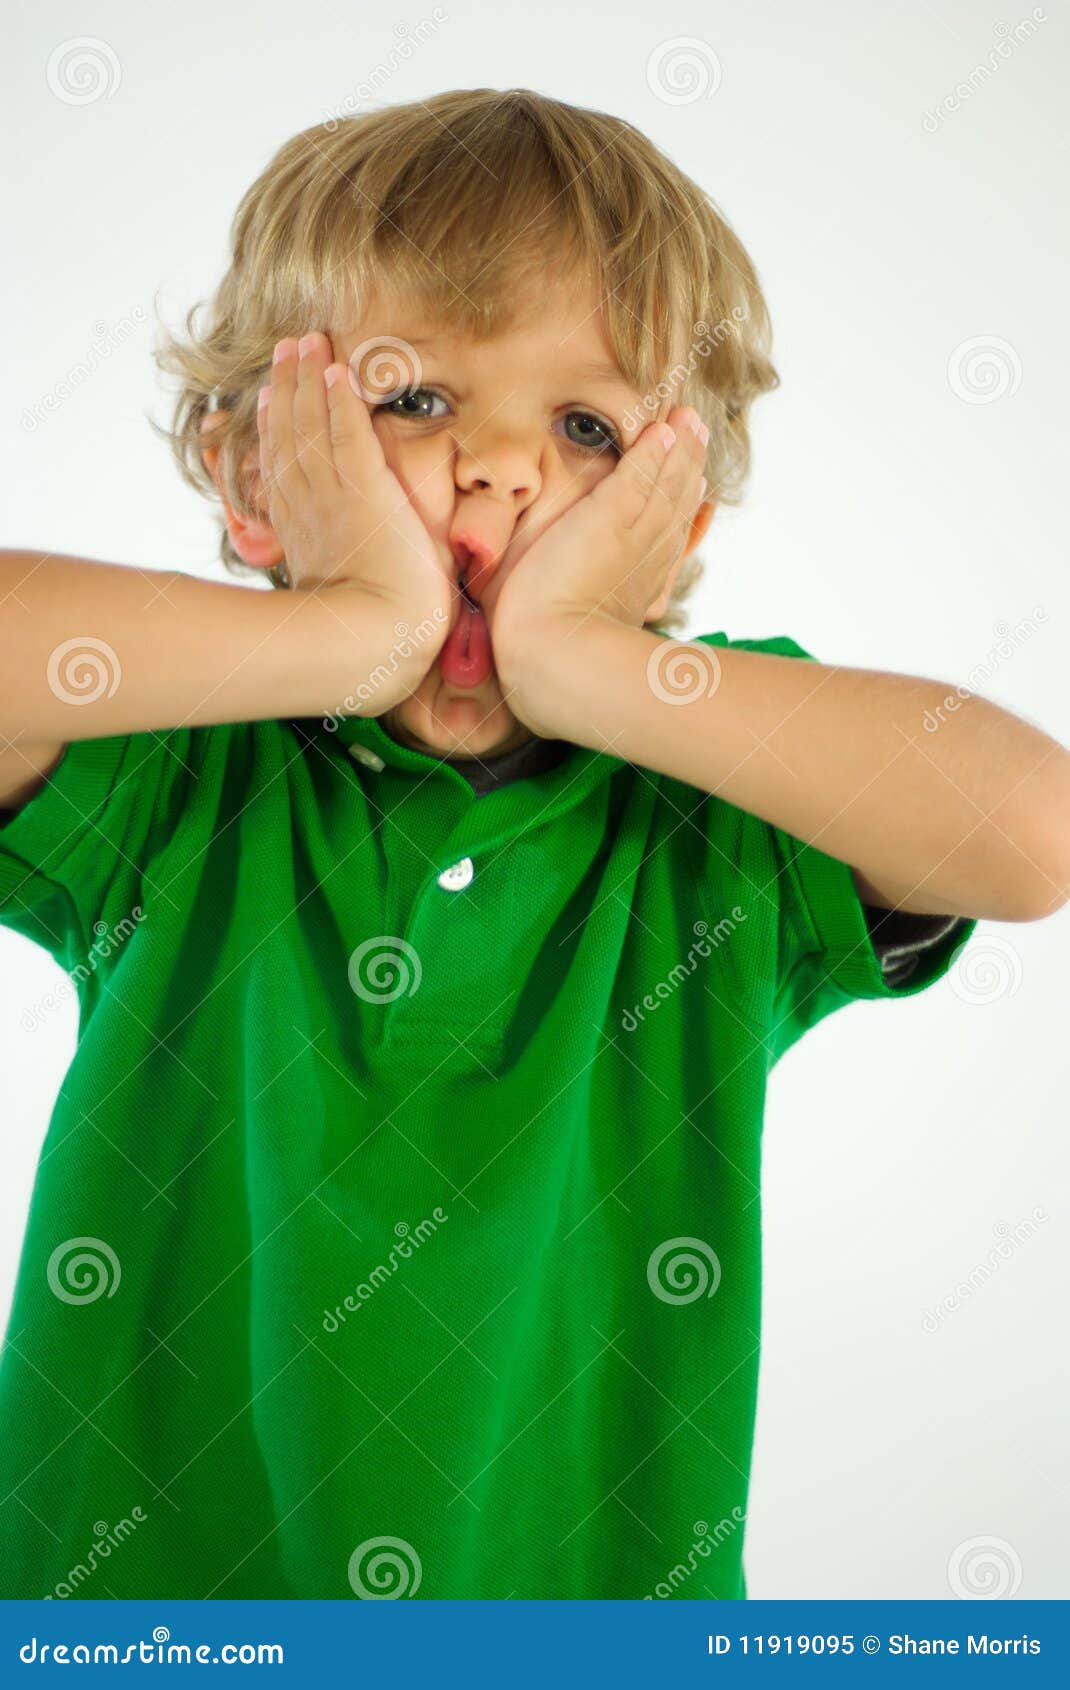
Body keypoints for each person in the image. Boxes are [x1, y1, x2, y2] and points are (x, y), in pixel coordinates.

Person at [0, 88, 1066, 1601]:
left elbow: (1029, 833)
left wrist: (579, 655)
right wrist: (353, 629)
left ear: (673, 518)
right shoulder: (182, 765)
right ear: (254, 474)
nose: (496, 467)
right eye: (414, 397)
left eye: (584, 427)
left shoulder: (716, 806)